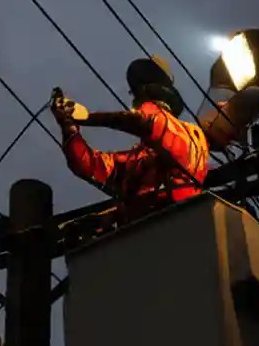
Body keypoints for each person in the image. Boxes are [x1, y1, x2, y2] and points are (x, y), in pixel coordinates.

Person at [52, 56, 210, 224]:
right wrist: (69, 128)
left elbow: (144, 122)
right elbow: (89, 165)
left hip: (179, 224)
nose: (136, 102)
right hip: (142, 234)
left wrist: (87, 118)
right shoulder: (139, 160)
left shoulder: (190, 133)